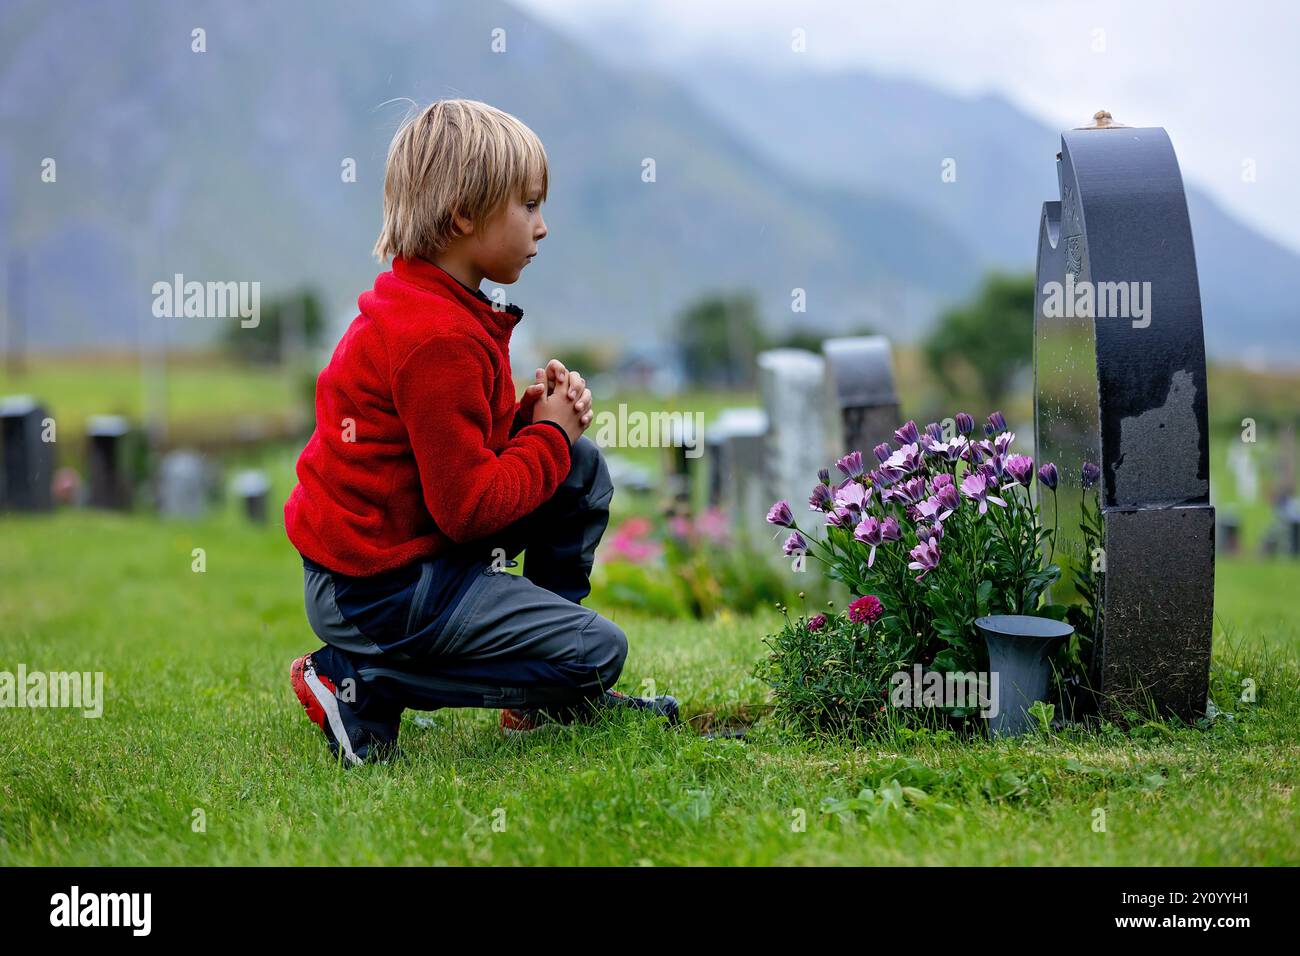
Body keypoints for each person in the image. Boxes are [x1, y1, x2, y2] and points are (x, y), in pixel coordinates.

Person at [284, 99, 677, 765]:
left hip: (402, 559)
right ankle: (356, 684)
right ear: (465, 213)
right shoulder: (434, 336)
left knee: (578, 472)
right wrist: (546, 435)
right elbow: (467, 510)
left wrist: (532, 420)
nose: (542, 227)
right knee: (597, 651)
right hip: (376, 587)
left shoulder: (441, 308)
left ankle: (544, 702)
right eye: (528, 205)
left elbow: (455, 446)